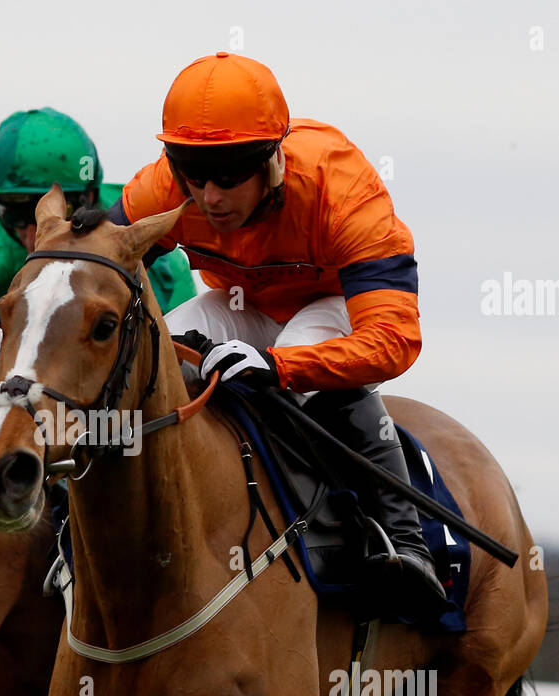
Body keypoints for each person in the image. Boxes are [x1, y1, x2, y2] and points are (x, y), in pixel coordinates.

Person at [107, 52, 450, 619]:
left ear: (273, 159)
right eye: (193, 174)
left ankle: (405, 541)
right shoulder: (163, 189)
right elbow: (86, 257)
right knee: (151, 355)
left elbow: (395, 339)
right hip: (243, 302)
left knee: (283, 370)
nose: (210, 196)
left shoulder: (343, 192)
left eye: (229, 175)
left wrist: (282, 367)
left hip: (332, 304)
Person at [0, 108, 197, 358]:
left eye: (62, 208)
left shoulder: (147, 245)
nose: (37, 231)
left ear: (90, 196)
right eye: (15, 211)